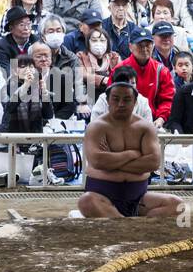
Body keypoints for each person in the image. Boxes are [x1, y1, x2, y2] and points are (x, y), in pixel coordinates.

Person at [78, 78, 183, 219]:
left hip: (138, 198)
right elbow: (98, 161)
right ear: (108, 101)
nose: (121, 104)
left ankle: (131, 226)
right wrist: (131, 154)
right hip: (101, 197)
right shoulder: (96, 127)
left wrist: (112, 161)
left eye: (127, 99)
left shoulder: (145, 127)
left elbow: (152, 163)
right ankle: (128, 225)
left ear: (135, 102)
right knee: (86, 201)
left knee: (177, 205)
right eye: (115, 99)